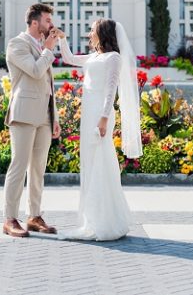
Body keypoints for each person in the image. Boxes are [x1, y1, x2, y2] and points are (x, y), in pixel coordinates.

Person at [56, 19, 142, 241]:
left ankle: (105, 221)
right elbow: (69, 59)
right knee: (89, 160)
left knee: (101, 160)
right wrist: (62, 39)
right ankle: (92, 218)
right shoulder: (94, 57)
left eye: (92, 30)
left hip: (100, 115)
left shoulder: (113, 58)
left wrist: (104, 118)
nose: (89, 33)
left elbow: (110, 90)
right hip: (89, 112)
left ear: (102, 33)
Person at [2, 3, 61, 238]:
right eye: (47, 20)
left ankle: (34, 216)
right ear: (35, 22)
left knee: (38, 168)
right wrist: (48, 50)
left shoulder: (42, 46)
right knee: (19, 165)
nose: (51, 25)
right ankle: (9, 219)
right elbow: (35, 71)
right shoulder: (17, 44)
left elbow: (47, 85)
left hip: (44, 117)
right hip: (24, 114)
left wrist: (54, 117)